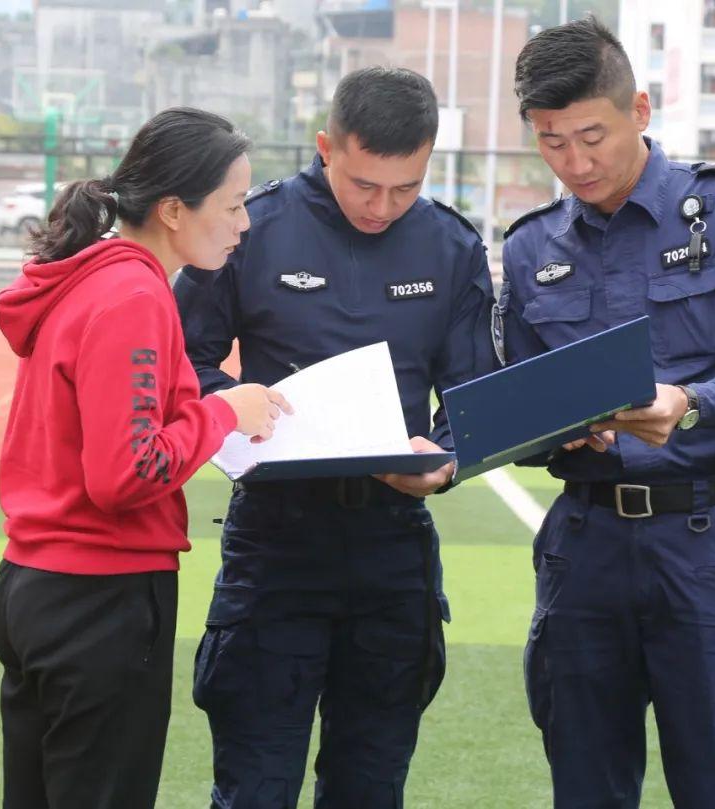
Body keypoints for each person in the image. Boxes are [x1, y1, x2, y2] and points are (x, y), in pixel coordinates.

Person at [499, 18, 715, 809]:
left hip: (710, 544)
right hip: (586, 548)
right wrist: (549, 428)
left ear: (639, 109)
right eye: (551, 142)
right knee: (585, 787)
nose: (575, 163)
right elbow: (519, 408)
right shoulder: (529, 245)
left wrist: (690, 402)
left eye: (591, 136)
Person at [175, 67, 496, 808]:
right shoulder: (253, 227)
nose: (382, 206)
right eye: (363, 184)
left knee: (371, 788)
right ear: (326, 147)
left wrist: (444, 461)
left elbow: (473, 399)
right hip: (275, 548)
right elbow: (179, 361)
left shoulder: (451, 246)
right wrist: (235, 405)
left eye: (405, 187)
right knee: (254, 787)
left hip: (394, 550)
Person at [0, 107, 290, 809]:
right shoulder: (132, 294)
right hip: (100, 598)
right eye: (234, 204)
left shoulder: (88, 278)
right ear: (173, 211)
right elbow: (128, 472)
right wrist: (223, 413)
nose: (244, 224)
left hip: (36, 584)